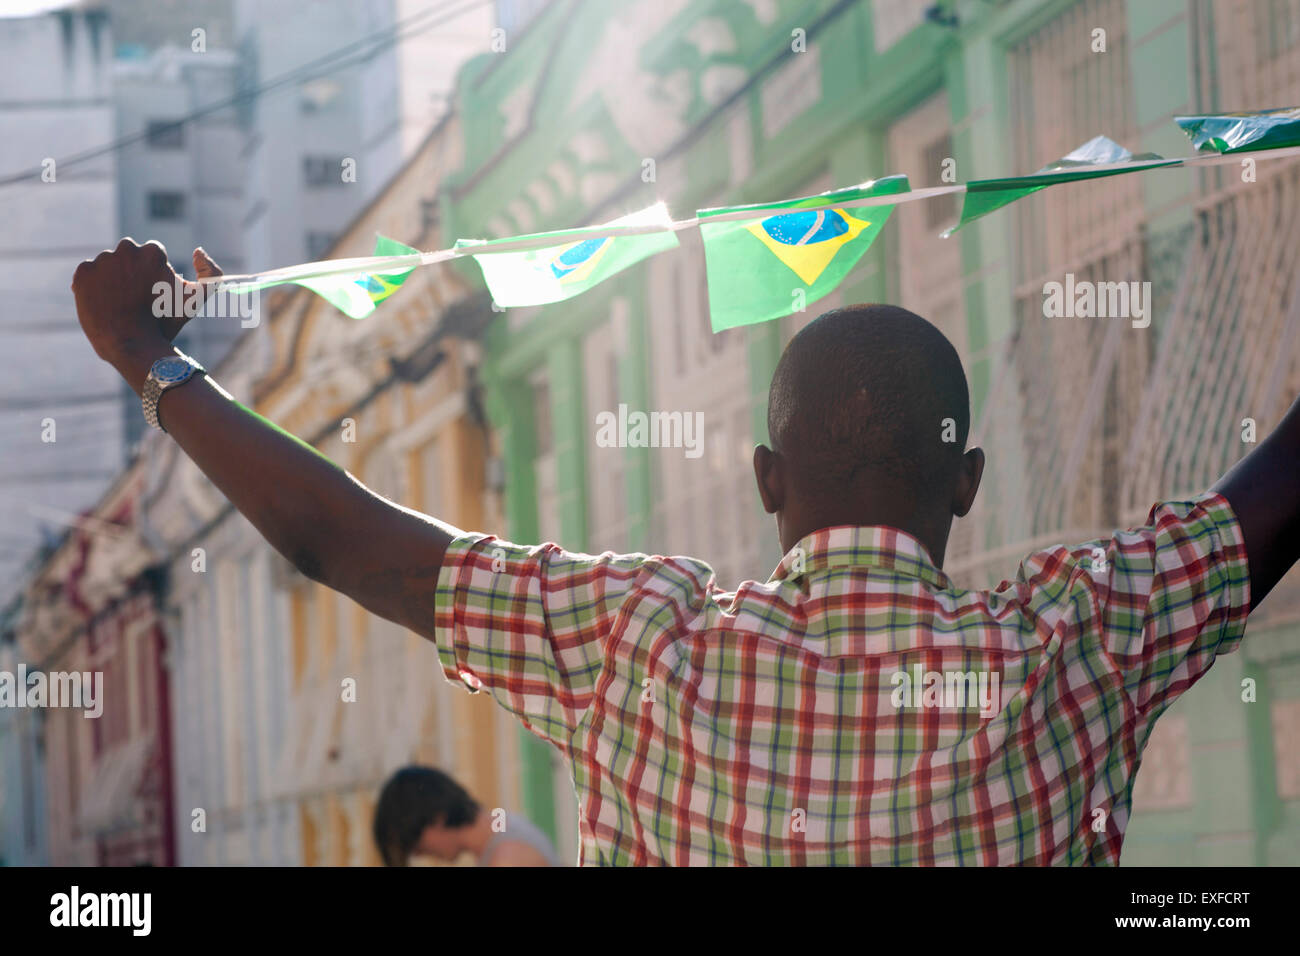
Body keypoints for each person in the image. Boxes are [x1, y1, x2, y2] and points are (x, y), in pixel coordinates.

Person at [70, 240, 1298, 865]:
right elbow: (1268, 502)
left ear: (768, 480)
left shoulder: (634, 647)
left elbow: (341, 536)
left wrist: (152, 358)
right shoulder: (1077, 638)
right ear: (965, 484)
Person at [373, 765, 562, 866]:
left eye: (415, 844)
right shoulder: (504, 833)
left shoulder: (507, 857)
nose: (419, 853)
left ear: (436, 818)